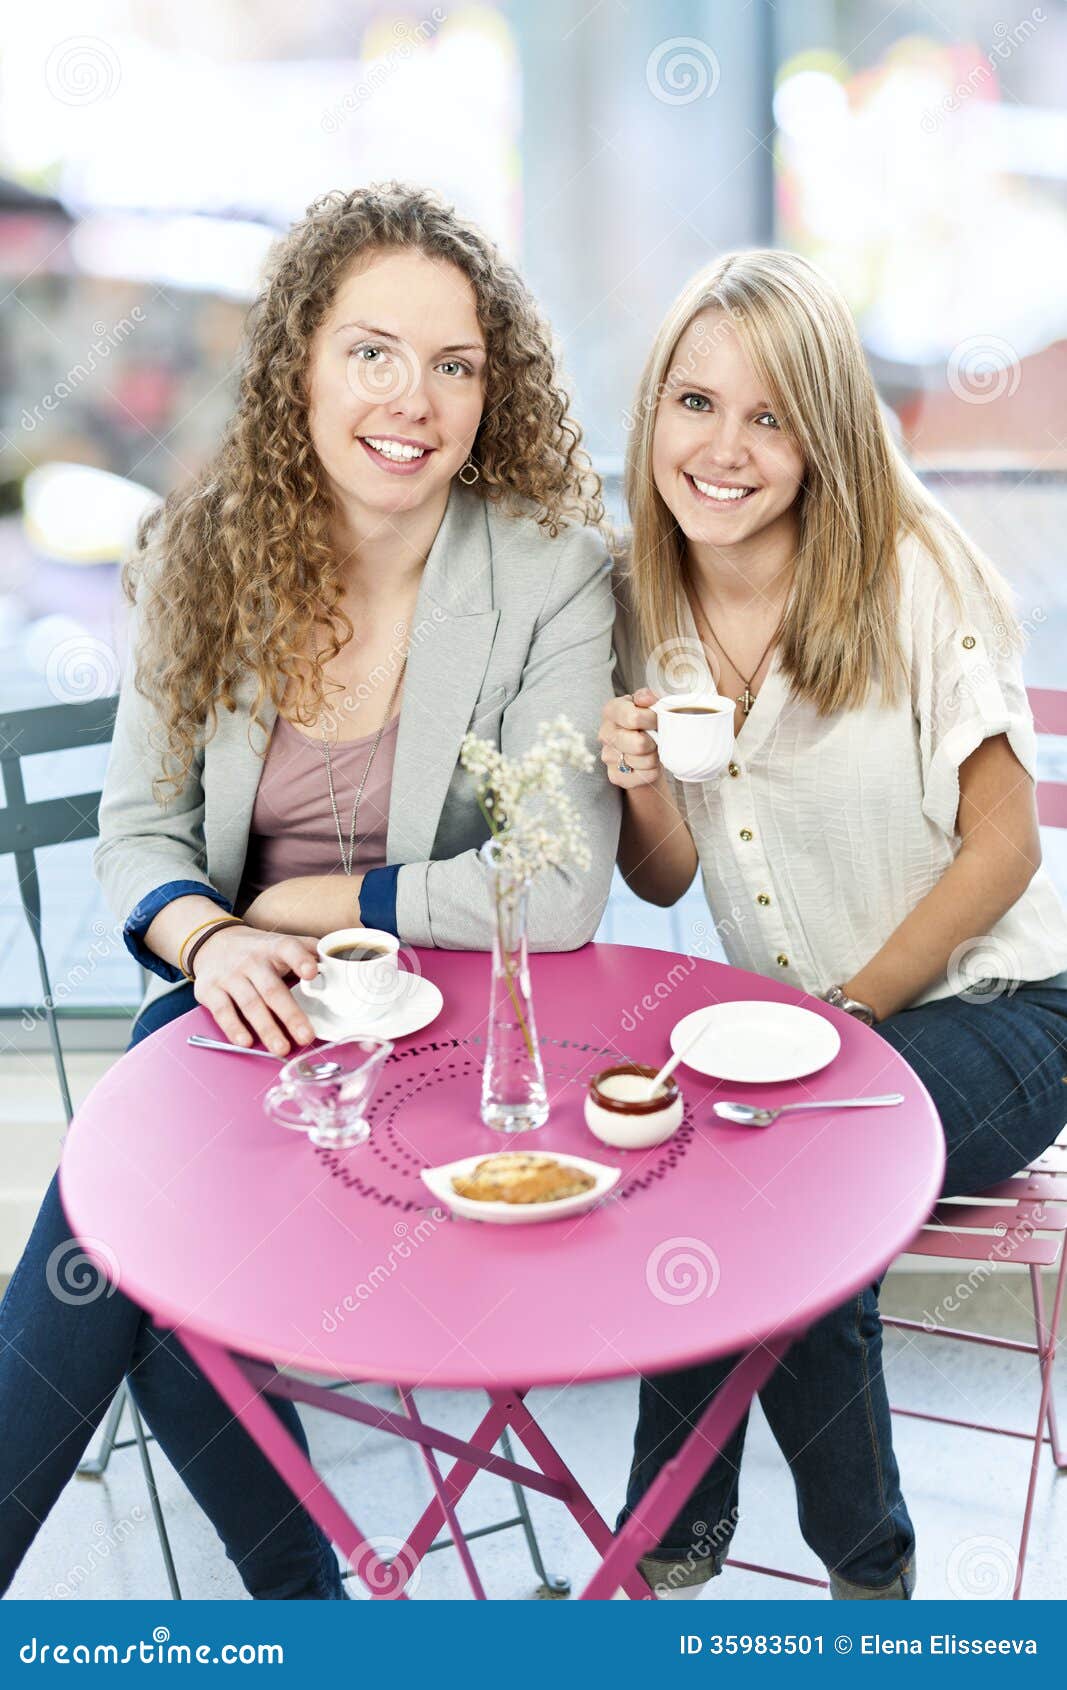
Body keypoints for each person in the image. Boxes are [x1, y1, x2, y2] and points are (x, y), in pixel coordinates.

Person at [0, 182, 619, 1598]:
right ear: (300, 363)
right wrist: (212, 933)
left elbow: (561, 886)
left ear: (490, 390)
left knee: (122, 1248)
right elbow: (139, 835)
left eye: (455, 363)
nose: (415, 397)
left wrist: (311, 900)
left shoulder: (550, 577)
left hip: (448, 1042)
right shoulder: (191, 555)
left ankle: (307, 1602)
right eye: (373, 350)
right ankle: (313, 1611)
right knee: (135, 1240)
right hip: (234, 1024)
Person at [599, 249, 1067, 1600]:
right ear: (655, 417)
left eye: (768, 414)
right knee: (735, 1161)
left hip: (1007, 1018)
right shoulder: (653, 599)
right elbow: (671, 875)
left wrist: (849, 1018)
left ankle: (827, 1573)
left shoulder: (915, 571)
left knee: (794, 1179)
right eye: (694, 403)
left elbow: (1006, 843)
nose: (724, 448)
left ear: (822, 434)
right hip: (804, 1054)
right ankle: (685, 1549)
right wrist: (640, 784)